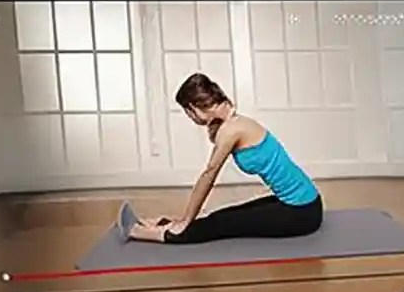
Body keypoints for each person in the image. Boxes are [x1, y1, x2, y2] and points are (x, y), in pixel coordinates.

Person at [127, 72, 325, 244]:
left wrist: (187, 221)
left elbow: (209, 175)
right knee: (225, 215)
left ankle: (143, 232)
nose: (191, 119)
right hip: (305, 203)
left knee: (221, 224)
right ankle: (166, 224)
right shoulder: (233, 122)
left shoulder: (231, 130)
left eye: (188, 113)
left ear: (193, 108)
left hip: (302, 213)